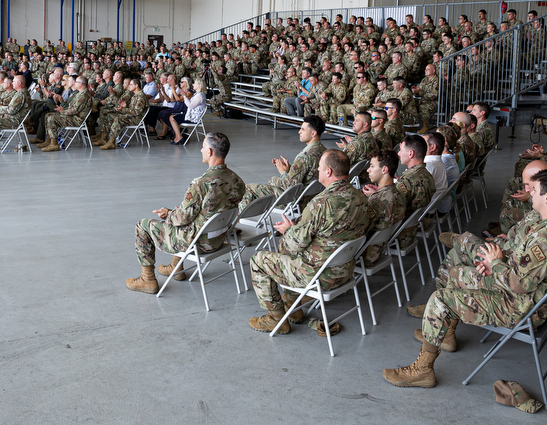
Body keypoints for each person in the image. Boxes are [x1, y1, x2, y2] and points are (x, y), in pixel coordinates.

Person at [382, 170, 547, 388]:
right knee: (456, 274)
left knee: (440, 300)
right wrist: (493, 264)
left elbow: (518, 284)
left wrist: (495, 263)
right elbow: (524, 271)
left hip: (519, 306)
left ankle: (423, 369)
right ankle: (445, 334)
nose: (531, 194)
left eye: (535, 191)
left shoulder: (546, 239)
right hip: (524, 296)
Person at [248, 149, 371, 333]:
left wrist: (288, 229)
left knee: (259, 260)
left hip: (317, 276)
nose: (318, 172)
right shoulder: (361, 197)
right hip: (345, 271)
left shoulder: (321, 203)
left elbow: (294, 244)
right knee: (293, 255)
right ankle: (293, 309)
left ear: (328, 172)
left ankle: (276, 319)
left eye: (320, 168)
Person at [126, 132, 245, 292]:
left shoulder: (201, 184)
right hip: (217, 239)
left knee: (142, 226)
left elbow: (181, 219)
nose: (201, 150)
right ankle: (176, 268)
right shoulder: (237, 181)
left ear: (210, 152)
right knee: (192, 218)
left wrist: (168, 214)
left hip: (198, 243)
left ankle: (147, 280)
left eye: (203, 147)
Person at [239, 116, 326, 210]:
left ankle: (238, 218)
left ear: (313, 133)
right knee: (273, 180)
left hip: (296, 201)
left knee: (249, 188)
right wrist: (291, 169)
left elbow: (289, 187)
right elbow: (310, 174)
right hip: (311, 199)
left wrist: (283, 172)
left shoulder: (304, 156)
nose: (299, 131)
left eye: (303, 129)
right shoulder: (324, 152)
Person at [362, 149, 407, 265]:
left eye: (372, 166)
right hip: (382, 249)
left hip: (365, 254)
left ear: (384, 170)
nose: (368, 170)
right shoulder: (398, 194)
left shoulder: (377, 200)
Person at [38, 76, 93, 152]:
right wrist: (63, 109)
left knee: (51, 118)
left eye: (76, 82)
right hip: (73, 116)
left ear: (80, 84)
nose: (75, 83)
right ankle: (49, 140)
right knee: (48, 115)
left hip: (76, 119)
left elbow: (75, 110)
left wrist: (62, 111)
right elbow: (73, 108)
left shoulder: (84, 95)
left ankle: (54, 144)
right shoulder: (81, 93)